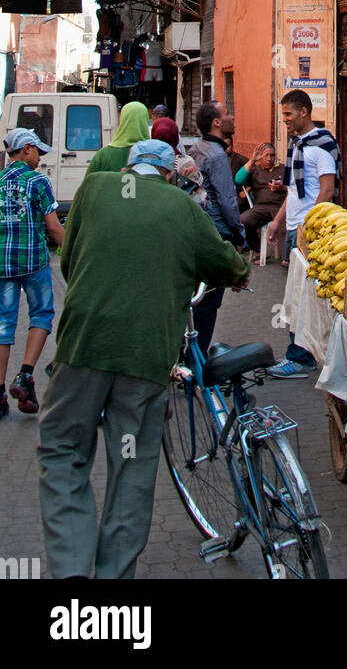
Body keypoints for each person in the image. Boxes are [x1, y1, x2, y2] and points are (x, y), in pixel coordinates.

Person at [37, 139, 249, 580]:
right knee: (131, 466)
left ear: (129, 167)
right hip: (147, 357)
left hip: (83, 347)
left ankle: (73, 571)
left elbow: (69, 260)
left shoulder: (94, 188)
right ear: (170, 174)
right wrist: (241, 273)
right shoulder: (183, 208)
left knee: (64, 451)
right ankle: (114, 574)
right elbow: (223, 263)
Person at [267, 91, 340, 378]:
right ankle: (303, 354)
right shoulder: (297, 145)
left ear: (304, 113)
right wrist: (277, 222)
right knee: (296, 295)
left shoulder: (321, 146)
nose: (284, 119)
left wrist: (310, 228)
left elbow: (327, 190)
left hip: (310, 232)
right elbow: (294, 192)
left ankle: (300, 357)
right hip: (295, 230)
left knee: (306, 296)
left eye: (288, 114)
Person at [0, 130, 65, 418]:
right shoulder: (37, 181)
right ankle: (25, 375)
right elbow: (53, 227)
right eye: (37, 151)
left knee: (3, 324)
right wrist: (72, 252)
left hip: (2, 264)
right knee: (41, 314)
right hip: (34, 262)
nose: (40, 158)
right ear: (26, 149)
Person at [187, 102, 246, 355]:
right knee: (209, 302)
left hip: (192, 231)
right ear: (216, 123)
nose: (232, 117)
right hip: (215, 235)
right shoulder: (217, 156)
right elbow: (228, 200)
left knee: (191, 300)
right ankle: (197, 360)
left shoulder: (196, 149)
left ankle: (184, 356)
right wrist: (239, 235)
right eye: (227, 114)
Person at [236, 142, 287, 258]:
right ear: (260, 157)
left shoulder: (283, 169)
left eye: (272, 155)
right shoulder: (255, 171)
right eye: (266, 155)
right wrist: (253, 160)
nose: (269, 159)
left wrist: (282, 187)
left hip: (280, 207)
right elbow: (238, 180)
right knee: (242, 221)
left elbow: (294, 189)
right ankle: (258, 249)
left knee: (289, 225)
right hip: (261, 208)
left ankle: (287, 256)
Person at [85, 100, 150, 175]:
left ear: (122, 120)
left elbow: (88, 184)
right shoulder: (154, 157)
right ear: (145, 122)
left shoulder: (103, 155)